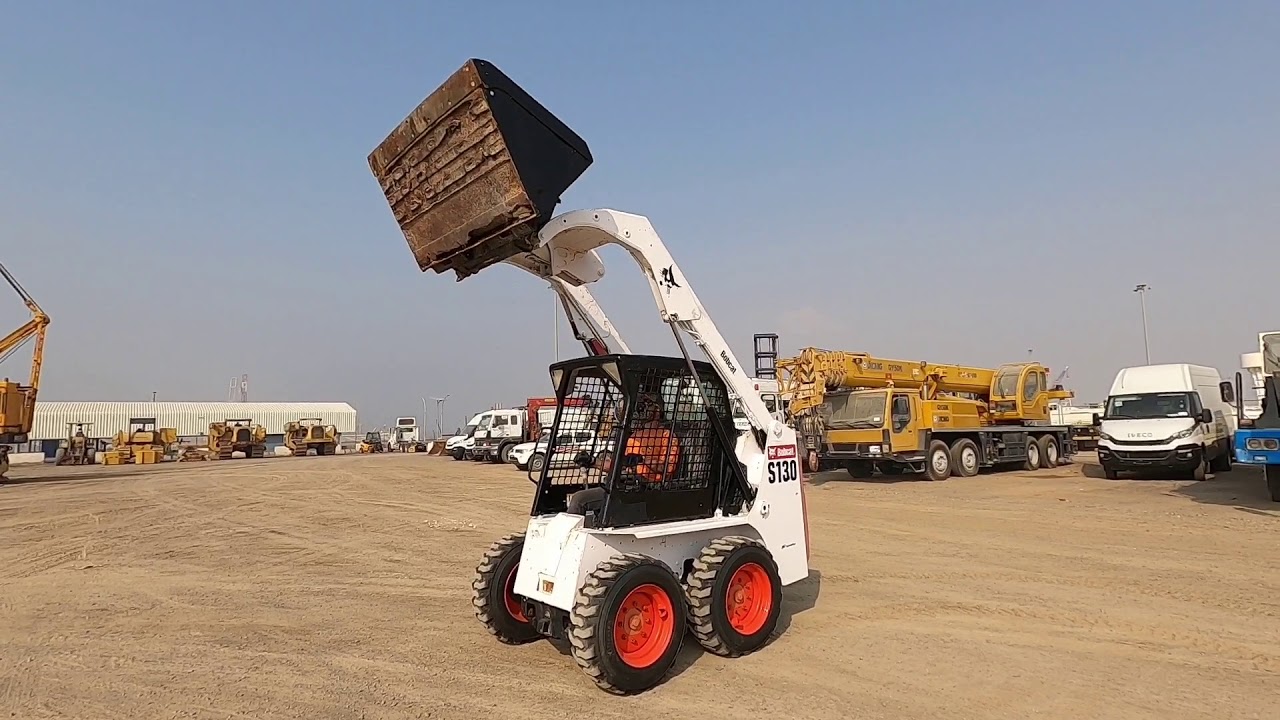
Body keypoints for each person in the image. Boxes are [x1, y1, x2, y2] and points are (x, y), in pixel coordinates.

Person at [566, 392, 682, 516]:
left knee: (580, 499)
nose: (641, 407)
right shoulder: (633, 437)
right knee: (581, 497)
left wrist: (642, 460)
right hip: (625, 485)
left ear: (657, 409)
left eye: (646, 404)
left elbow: (667, 469)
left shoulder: (667, 437)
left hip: (648, 488)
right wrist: (593, 462)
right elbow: (618, 466)